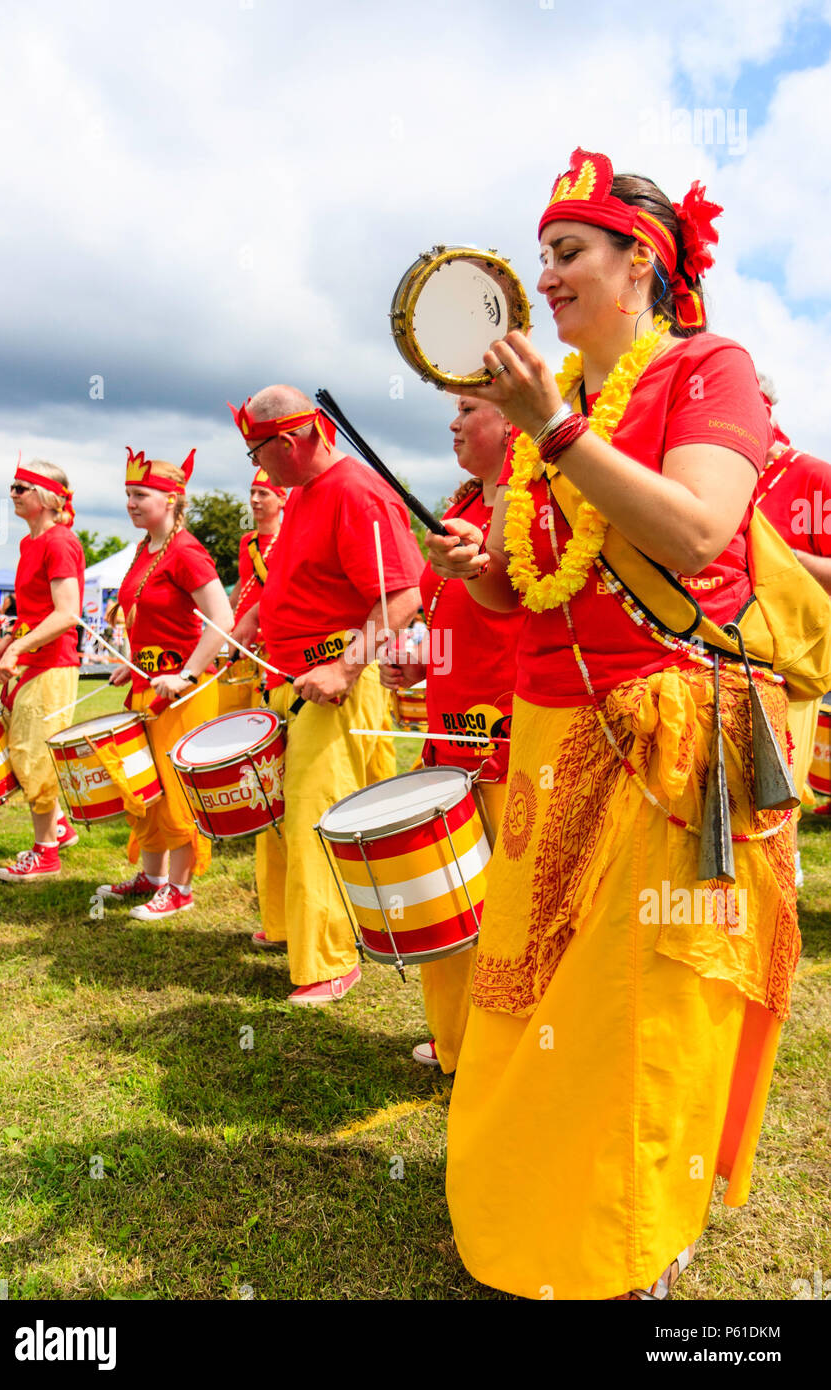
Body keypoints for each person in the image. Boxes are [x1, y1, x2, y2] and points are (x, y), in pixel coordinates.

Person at [427, 148, 805, 1300]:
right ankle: (533, 1214)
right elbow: (537, 590)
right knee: (531, 991)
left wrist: (549, 428)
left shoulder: (706, 368)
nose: (544, 276)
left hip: (661, 736)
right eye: (540, 254)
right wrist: (482, 571)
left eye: (568, 252)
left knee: (632, 1005)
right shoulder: (567, 406)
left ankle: (628, 1239)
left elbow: (696, 533)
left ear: (640, 262)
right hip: (548, 735)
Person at [229, 386, 422, 1004]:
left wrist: (343, 669)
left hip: (335, 683)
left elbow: (401, 596)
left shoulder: (357, 491)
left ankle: (331, 960)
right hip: (295, 678)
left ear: (288, 441)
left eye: (258, 452)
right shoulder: (308, 494)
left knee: (316, 811)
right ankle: (293, 929)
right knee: (284, 811)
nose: (258, 469)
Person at [380, 398, 523, 1071]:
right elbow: (443, 610)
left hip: (511, 744)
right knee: (454, 904)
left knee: (507, 911)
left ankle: (507, 1051)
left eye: (469, 408)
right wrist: (415, 658)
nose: (453, 422)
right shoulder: (461, 506)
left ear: (513, 421)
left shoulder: (535, 501)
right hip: (449, 742)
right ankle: (457, 1043)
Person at [95, 447, 233, 919]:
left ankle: (180, 888)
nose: (131, 503)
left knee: (176, 788)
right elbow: (149, 621)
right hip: (147, 686)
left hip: (185, 694)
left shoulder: (187, 552)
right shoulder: (144, 549)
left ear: (172, 499)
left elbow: (222, 619)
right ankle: (152, 877)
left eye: (140, 495)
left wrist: (188, 673)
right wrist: (132, 664)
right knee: (146, 785)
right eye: (128, 495)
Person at [0, 460, 84, 880]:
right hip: (32, 660)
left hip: (52, 663)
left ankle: (45, 853)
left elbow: (68, 615)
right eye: (12, 486)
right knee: (25, 747)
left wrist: (18, 647)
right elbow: (36, 613)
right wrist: (7, 643)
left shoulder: (60, 542)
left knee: (34, 753)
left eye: (22, 487)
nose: (13, 494)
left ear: (45, 497)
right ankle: (56, 828)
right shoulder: (31, 545)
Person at [755, 376, 831, 876]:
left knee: (777, 804)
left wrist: (781, 558)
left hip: (795, 670)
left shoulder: (813, 476)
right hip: (717, 662)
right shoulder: (719, 472)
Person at [220, 468, 286, 713]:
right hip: (239, 640)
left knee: (263, 716)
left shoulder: (289, 539)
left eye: (263, 493)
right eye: (252, 493)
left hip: (269, 644)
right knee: (230, 716)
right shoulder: (247, 541)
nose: (255, 499)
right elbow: (242, 586)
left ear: (281, 500)